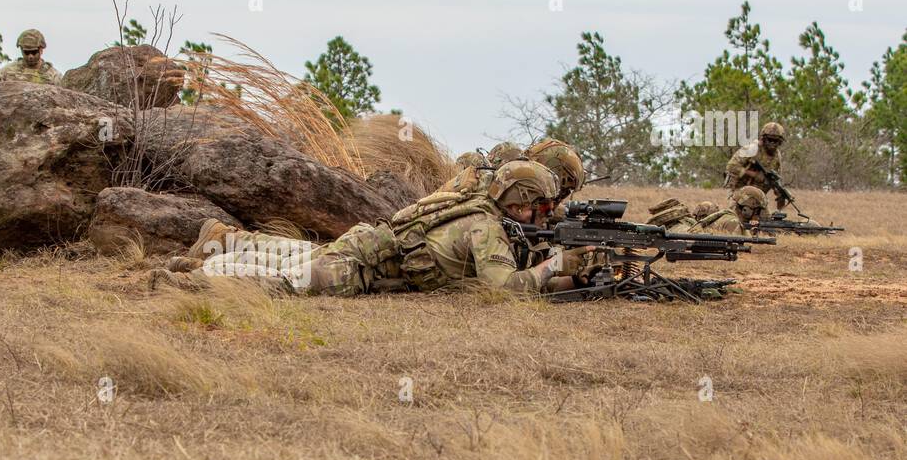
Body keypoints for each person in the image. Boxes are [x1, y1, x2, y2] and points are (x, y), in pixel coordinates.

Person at [153, 160, 593, 296]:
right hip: (363, 263)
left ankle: (199, 258)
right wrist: (553, 267)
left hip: (369, 248)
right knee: (284, 285)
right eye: (543, 205)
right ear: (518, 200)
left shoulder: (486, 214)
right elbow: (503, 289)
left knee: (286, 260)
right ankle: (184, 283)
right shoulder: (486, 227)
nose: (548, 211)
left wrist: (570, 274)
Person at [725, 121, 790, 209]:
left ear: (780, 142)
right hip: (739, 190)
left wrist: (779, 192)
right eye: (770, 140)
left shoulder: (777, 156)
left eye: (776, 141)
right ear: (763, 138)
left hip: (758, 195)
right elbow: (731, 166)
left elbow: (776, 177)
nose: (772, 143)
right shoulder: (751, 148)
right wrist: (753, 174)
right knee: (739, 215)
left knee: (765, 219)